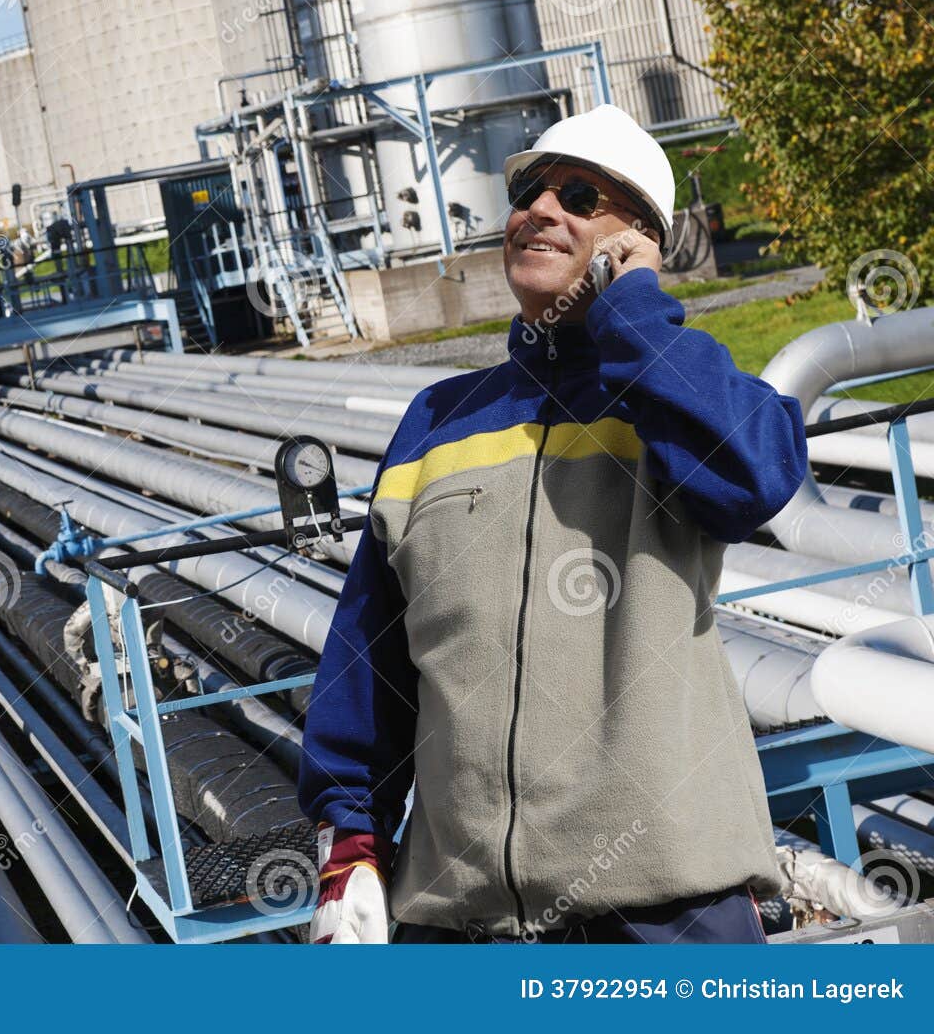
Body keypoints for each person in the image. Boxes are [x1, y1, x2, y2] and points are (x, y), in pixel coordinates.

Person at [298, 104, 809, 944]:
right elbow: (369, 660)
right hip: (462, 929)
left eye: (579, 194)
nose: (540, 208)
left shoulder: (674, 392)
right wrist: (349, 844)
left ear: (638, 239)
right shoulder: (438, 420)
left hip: (667, 918)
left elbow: (754, 478)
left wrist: (634, 313)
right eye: (530, 189)